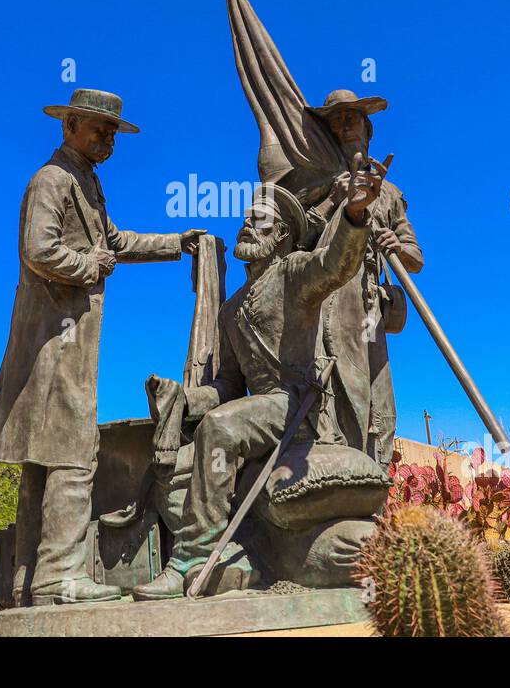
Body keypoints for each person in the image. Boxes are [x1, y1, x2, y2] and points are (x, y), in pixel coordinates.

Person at [0, 88, 204, 606]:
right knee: (75, 453)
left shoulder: (86, 184)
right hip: (54, 341)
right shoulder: (52, 180)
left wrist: (174, 243)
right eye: (99, 129)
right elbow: (39, 248)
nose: (108, 139)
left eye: (113, 132)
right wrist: (88, 267)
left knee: (43, 461)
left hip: (63, 340)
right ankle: (60, 579)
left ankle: (28, 580)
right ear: (70, 124)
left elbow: (115, 242)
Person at [131, 154, 385, 601]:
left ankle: (188, 560)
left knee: (220, 427)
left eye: (261, 221)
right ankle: (235, 559)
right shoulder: (230, 310)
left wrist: (353, 214)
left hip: (297, 409)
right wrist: (183, 401)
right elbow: (228, 385)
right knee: (178, 463)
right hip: (260, 414)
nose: (249, 225)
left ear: (283, 235)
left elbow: (334, 265)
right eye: (247, 218)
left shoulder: (293, 274)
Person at [304, 89, 424, 464]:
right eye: (336, 119)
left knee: (378, 398)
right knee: (333, 385)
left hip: (370, 306)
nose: (344, 125)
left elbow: (416, 258)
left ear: (367, 129)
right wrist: (330, 201)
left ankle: (376, 479)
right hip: (327, 298)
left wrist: (397, 246)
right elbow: (293, 239)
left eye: (351, 117)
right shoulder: (317, 183)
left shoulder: (388, 192)